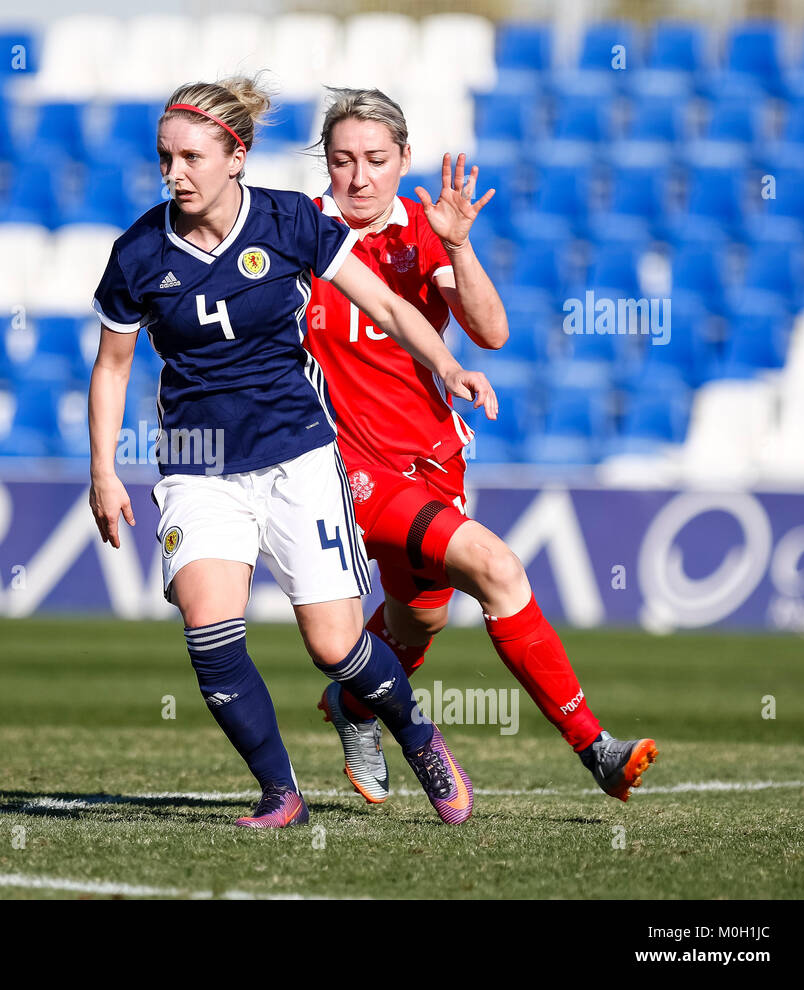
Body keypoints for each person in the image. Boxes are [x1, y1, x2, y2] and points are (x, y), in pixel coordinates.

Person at [88, 77, 499, 827]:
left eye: (189, 156)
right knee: (210, 637)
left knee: (336, 647)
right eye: (164, 157)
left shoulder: (285, 220)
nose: (173, 172)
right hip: (196, 462)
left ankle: (416, 734)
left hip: (296, 456)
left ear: (235, 156)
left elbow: (383, 301)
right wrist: (103, 471)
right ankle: (282, 794)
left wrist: (448, 365)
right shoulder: (139, 253)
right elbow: (112, 365)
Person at [303, 88, 659, 804]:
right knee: (497, 567)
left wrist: (459, 245)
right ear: (327, 164)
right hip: (346, 465)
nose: (360, 176)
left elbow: (491, 332)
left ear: (405, 158)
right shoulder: (299, 232)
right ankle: (598, 750)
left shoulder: (423, 232)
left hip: (432, 459)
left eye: (376, 159)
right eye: (343, 160)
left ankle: (356, 703)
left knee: (420, 618)